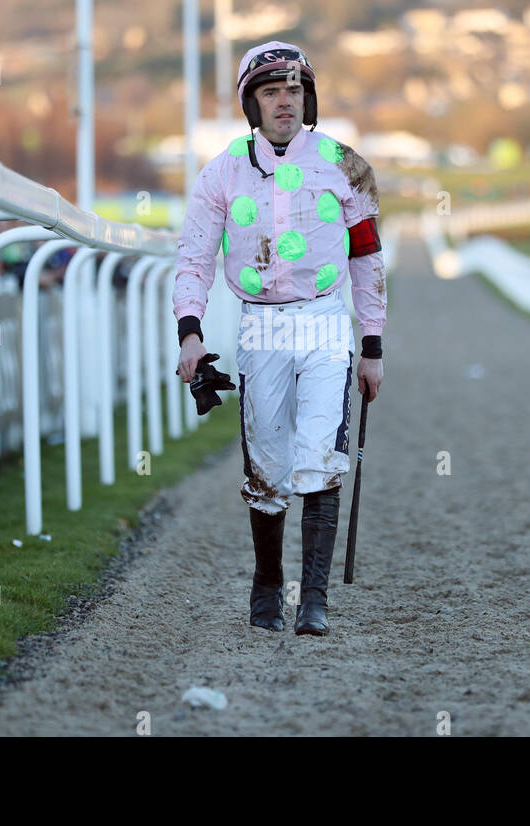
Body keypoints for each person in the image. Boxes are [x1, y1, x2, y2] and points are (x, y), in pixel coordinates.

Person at [173, 41, 386, 637]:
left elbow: (368, 260)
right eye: (271, 92)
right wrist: (190, 333)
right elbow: (194, 259)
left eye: (293, 91)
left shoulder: (348, 165)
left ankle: (313, 599)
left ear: (308, 97)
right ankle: (267, 583)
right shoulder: (221, 172)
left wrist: (372, 347)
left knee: (321, 457)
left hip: (325, 321)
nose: (284, 102)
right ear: (252, 103)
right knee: (267, 467)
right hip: (259, 324)